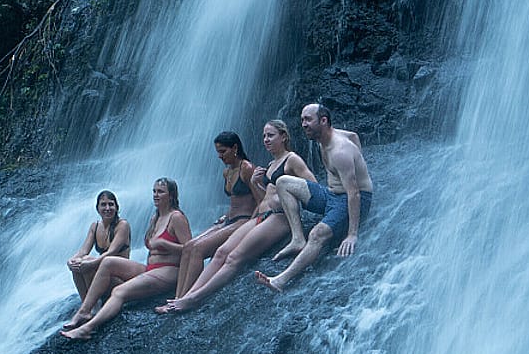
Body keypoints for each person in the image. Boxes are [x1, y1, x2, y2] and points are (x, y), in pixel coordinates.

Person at [160, 120, 316, 312]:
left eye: (271, 135)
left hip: (278, 217)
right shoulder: (270, 164)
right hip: (260, 216)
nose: (266, 140)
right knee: (220, 253)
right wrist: (257, 183)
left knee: (234, 258)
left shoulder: (292, 159)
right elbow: (263, 198)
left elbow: (312, 186)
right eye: (264, 136)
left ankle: (195, 299)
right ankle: (187, 295)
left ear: (284, 136)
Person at [257, 103, 373, 292]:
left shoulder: (340, 152)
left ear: (324, 120)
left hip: (347, 201)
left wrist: (352, 234)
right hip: (330, 194)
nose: (303, 124)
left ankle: (280, 280)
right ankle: (297, 239)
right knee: (284, 182)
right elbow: (354, 136)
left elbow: (354, 193)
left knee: (317, 235)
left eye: (308, 119)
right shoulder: (328, 137)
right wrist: (360, 161)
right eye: (302, 119)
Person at [61, 178, 191, 340]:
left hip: (170, 270)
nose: (156, 195)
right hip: (150, 268)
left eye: (160, 192)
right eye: (154, 191)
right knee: (108, 262)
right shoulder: (154, 218)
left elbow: (190, 250)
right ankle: (85, 310)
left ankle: (87, 329)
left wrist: (165, 243)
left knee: (119, 292)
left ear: (171, 195)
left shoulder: (176, 217)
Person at [159, 131, 260, 307]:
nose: (219, 156)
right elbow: (234, 201)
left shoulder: (247, 168)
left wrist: (252, 223)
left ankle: (188, 297)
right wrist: (225, 217)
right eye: (218, 152)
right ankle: (177, 297)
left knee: (198, 249)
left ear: (235, 148)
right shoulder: (226, 172)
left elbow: (260, 199)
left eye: (223, 152)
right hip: (230, 220)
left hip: (243, 221)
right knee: (189, 246)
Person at [66, 190, 132, 300]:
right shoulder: (95, 226)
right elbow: (83, 251)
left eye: (111, 204)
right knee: (77, 264)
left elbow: (112, 251)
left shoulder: (122, 225)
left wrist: (90, 263)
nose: (107, 208)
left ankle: (93, 303)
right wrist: (71, 261)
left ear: (116, 207)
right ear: (97, 208)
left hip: (120, 278)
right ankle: (85, 303)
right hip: (103, 274)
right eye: (103, 205)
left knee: (86, 262)